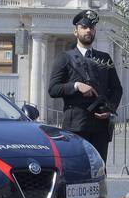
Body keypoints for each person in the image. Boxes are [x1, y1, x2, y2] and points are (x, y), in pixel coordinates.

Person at [47, 9, 123, 160]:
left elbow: (116, 89)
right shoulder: (65, 58)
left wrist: (110, 109)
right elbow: (53, 89)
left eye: (92, 28)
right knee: (76, 169)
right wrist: (76, 86)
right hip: (76, 126)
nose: (88, 30)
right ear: (76, 31)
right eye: (84, 27)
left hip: (100, 127)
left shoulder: (104, 58)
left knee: (99, 169)